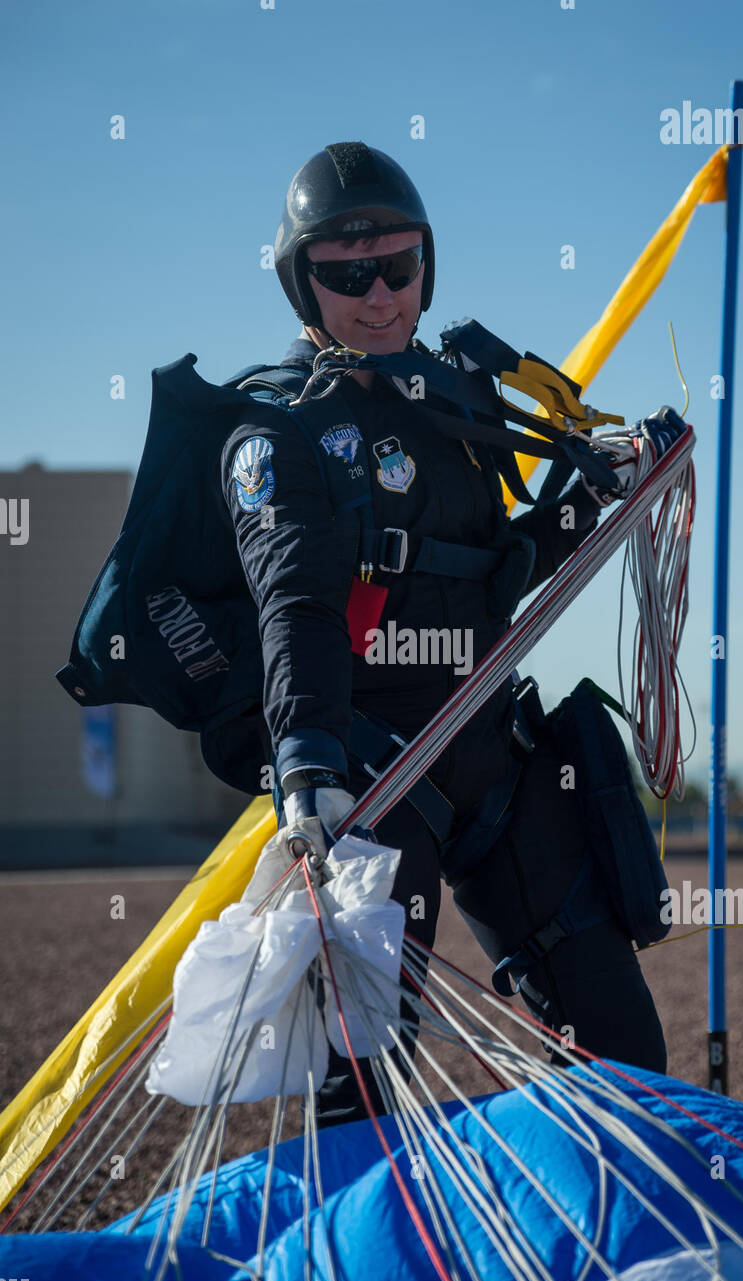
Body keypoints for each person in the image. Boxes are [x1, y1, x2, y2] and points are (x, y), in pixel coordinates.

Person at [220, 141, 675, 1128]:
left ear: (427, 265)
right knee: (361, 1093)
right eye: (348, 275)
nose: (380, 295)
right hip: (374, 783)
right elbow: (293, 599)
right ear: (302, 282)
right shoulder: (278, 430)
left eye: (398, 265)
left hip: (496, 758)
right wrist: (307, 769)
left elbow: (496, 569)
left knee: (627, 1056)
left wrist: (601, 491)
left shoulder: (458, 397)